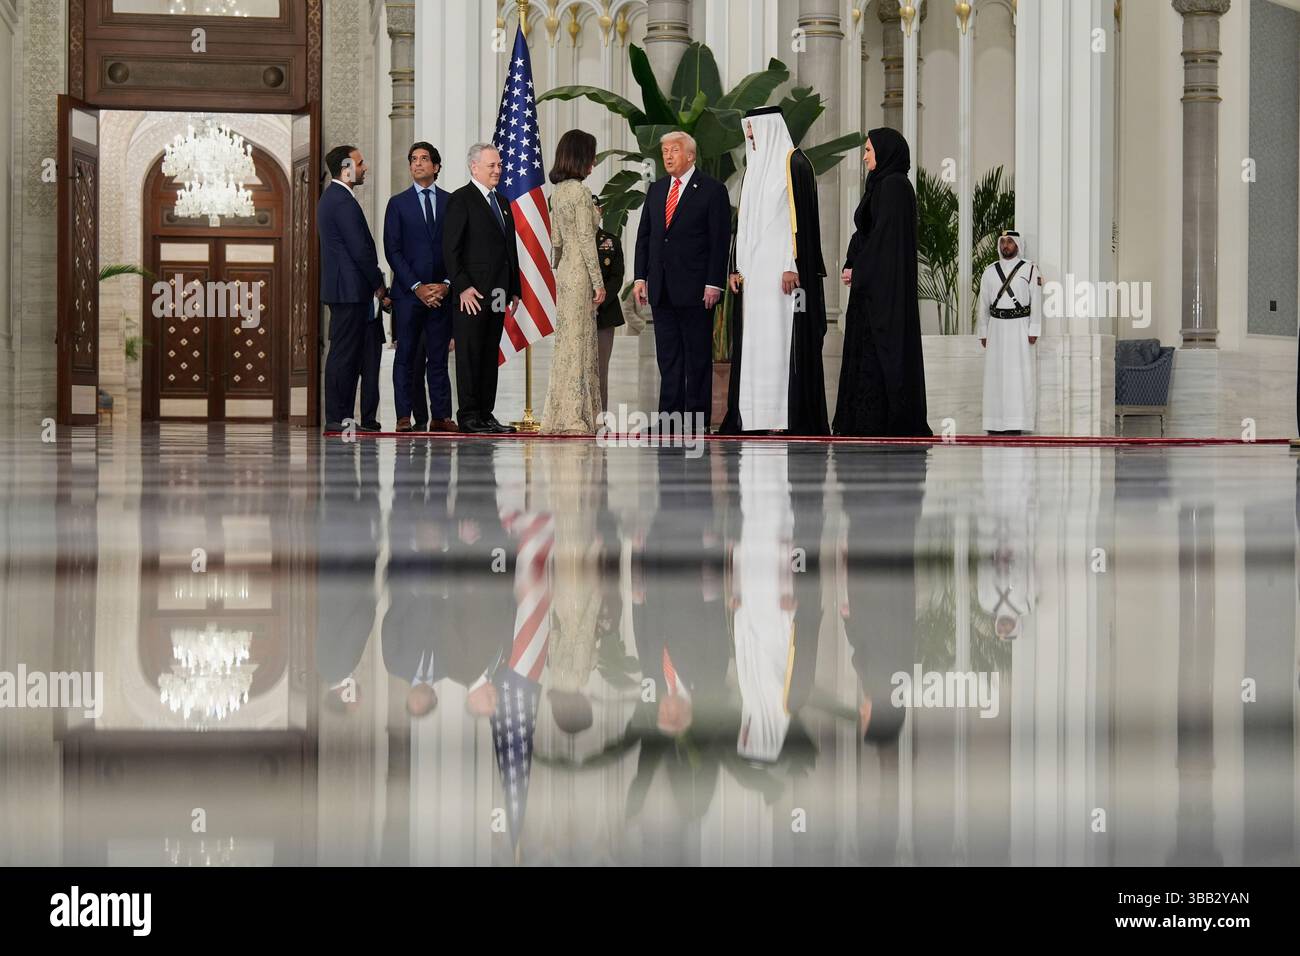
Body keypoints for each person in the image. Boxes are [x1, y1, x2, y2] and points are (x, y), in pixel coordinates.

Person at [722, 106, 830, 436]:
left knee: (781, 340)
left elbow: (800, 223)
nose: (749, 134)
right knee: (755, 342)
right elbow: (743, 227)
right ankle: (754, 417)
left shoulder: (795, 164)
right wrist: (735, 269)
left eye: (753, 128)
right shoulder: (753, 169)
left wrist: (789, 264)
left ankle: (782, 417)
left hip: (783, 275)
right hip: (753, 275)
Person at [834, 128, 931, 437]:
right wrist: (853, 262)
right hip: (871, 293)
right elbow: (865, 235)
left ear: (885, 152)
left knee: (882, 356)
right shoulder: (879, 186)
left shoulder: (895, 187)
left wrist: (860, 271)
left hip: (885, 295)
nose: (864, 157)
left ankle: (882, 423)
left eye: (868, 150)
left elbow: (886, 243)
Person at [633, 131, 730, 427]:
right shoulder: (658, 189)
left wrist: (714, 282)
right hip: (661, 288)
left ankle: (697, 419)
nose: (668, 156)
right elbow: (645, 236)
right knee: (668, 357)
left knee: (697, 357)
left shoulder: (713, 190)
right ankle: (668, 419)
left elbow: (719, 240)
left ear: (690, 155)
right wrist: (640, 277)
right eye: (664, 151)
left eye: (674, 150)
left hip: (697, 289)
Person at [442, 143, 521, 434]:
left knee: (489, 355)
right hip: (471, 296)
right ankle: (469, 415)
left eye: (499, 165)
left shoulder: (502, 201)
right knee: (470, 354)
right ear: (474, 167)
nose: (498, 170)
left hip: (498, 294)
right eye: (492, 166)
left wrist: (515, 289)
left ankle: (486, 414)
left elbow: (509, 249)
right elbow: (451, 250)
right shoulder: (460, 200)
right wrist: (462, 287)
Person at [383, 142, 457, 433]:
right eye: (413, 159)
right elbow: (393, 250)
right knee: (406, 358)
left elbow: (457, 248)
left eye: (424, 159)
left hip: (441, 295)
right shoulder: (397, 203)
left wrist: (446, 285)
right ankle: (404, 417)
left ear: (436, 167)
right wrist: (417, 286)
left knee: (438, 359)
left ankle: (440, 416)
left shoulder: (452, 203)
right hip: (408, 296)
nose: (417, 164)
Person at [318, 144, 389, 432]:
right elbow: (359, 249)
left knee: (346, 355)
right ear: (346, 167)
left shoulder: (335, 198)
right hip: (349, 290)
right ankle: (338, 419)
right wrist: (378, 284)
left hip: (346, 289)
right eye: (360, 163)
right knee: (344, 356)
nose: (365, 168)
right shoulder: (340, 200)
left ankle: (342, 418)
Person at [540, 130, 605, 434]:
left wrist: (558, 268)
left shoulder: (557, 193)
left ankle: (561, 412)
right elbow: (585, 239)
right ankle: (576, 416)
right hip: (580, 271)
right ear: (581, 156)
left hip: (565, 272)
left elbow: (555, 242)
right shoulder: (579, 192)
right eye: (591, 154)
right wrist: (598, 282)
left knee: (567, 342)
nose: (593, 160)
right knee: (579, 343)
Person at [978, 230, 1041, 435]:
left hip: (1020, 327)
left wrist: (1034, 329)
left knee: (1018, 375)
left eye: (1010, 242)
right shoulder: (989, 271)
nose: (1006, 245)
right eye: (1003, 242)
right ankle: (994, 422)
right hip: (996, 327)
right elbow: (983, 304)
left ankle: (1017, 422)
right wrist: (983, 332)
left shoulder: (1030, 270)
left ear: (1017, 245)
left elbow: (1036, 302)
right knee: (995, 375)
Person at [593, 199, 626, 412]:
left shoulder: (611, 242)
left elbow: (616, 276)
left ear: (601, 211)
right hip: (579, 313)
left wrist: (599, 300)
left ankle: (600, 416)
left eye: (595, 208)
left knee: (600, 369)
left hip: (605, 314)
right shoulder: (574, 241)